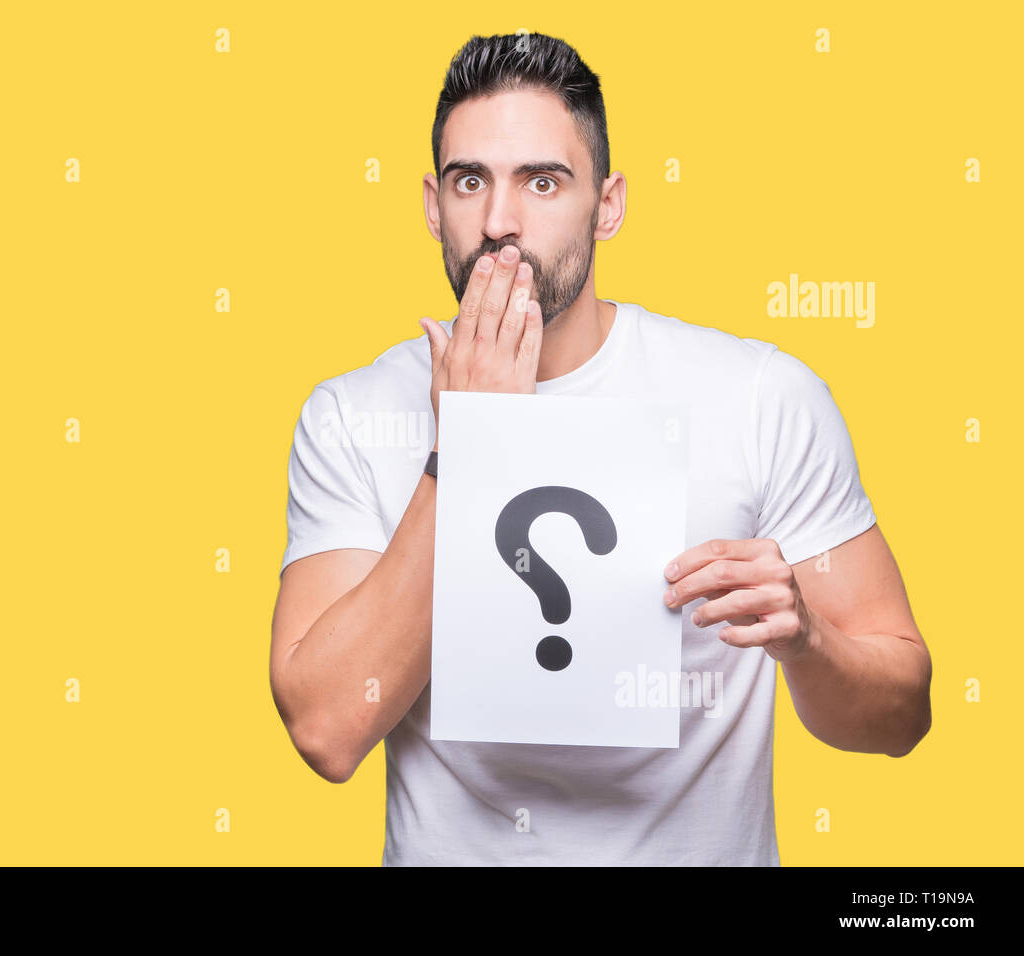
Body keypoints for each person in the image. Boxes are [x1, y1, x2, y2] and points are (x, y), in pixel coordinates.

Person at [270, 31, 931, 866]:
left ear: (608, 205)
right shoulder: (354, 416)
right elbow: (327, 730)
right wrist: (467, 450)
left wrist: (808, 641)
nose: (499, 223)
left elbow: (903, 716)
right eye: (470, 181)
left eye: (542, 181)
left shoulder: (762, 396)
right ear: (434, 204)